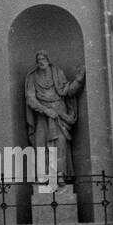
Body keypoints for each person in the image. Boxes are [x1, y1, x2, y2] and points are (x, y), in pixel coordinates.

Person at [24, 50, 85, 182]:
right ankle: (43, 177)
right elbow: (30, 98)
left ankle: (60, 175)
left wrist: (78, 82)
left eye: (43, 59)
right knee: (40, 143)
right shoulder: (32, 77)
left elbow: (67, 92)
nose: (41, 61)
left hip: (59, 116)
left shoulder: (58, 73)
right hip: (42, 116)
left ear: (48, 59)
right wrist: (45, 110)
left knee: (60, 143)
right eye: (38, 59)